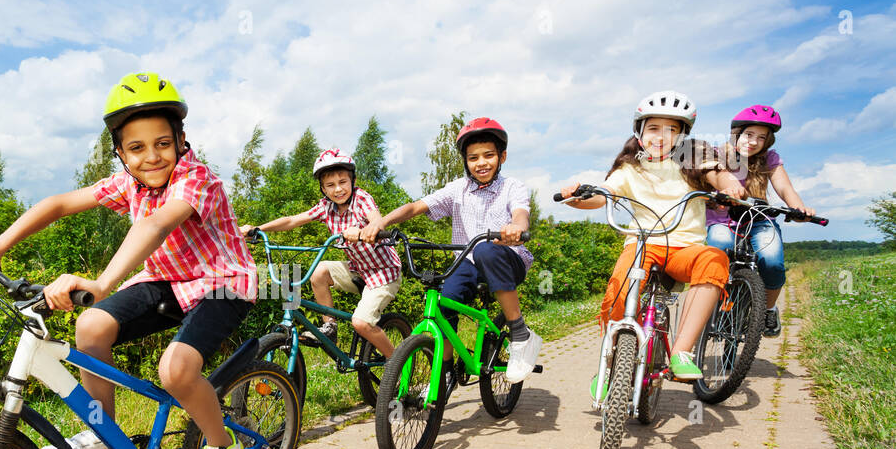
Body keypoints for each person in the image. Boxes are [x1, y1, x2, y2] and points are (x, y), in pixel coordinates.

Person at [0, 72, 257, 449]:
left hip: (223, 282)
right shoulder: (127, 184)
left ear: (180, 141)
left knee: (175, 372)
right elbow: (59, 204)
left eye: (162, 143)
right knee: (91, 324)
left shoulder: (198, 180)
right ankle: (103, 431)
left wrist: (101, 284)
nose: (152, 157)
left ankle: (221, 445)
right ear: (120, 153)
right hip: (168, 281)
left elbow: (155, 225)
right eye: (136, 148)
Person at [559, 90, 730, 386]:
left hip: (685, 249)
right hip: (643, 245)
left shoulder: (694, 161)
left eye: (672, 130)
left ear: (682, 136)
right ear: (639, 133)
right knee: (619, 291)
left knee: (715, 259)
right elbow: (604, 196)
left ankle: (682, 353)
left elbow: (721, 177)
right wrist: (577, 198)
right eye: (653, 128)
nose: (661, 136)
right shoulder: (629, 169)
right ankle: (610, 363)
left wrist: (732, 188)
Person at [360, 117, 541, 385]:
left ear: (502, 156)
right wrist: (381, 222)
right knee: (444, 301)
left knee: (486, 251)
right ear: (466, 161)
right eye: (473, 158)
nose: (481, 163)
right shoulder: (458, 189)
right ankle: (444, 371)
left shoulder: (512, 187)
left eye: (488, 155)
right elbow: (415, 207)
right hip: (466, 261)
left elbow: (521, 214)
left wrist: (516, 227)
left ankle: (520, 333)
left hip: (506, 257)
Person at [240, 148, 402, 358]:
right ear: (323, 189)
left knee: (361, 323)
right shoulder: (326, 207)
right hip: (358, 269)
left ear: (352, 180)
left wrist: (364, 231)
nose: (338, 190)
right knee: (318, 272)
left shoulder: (361, 199)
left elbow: (378, 221)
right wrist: (258, 229)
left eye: (343, 182)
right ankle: (330, 327)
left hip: (383, 273)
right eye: (330, 185)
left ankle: (398, 362)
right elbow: (293, 220)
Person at [705, 105, 814, 337]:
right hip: (722, 220)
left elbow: (784, 187)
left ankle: (769, 309)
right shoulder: (715, 154)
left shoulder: (769, 159)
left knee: (772, 261)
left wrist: (798, 207)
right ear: (736, 133)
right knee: (719, 247)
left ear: (768, 141)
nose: (753, 141)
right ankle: (711, 304)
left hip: (757, 219)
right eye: (749, 134)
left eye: (761, 137)